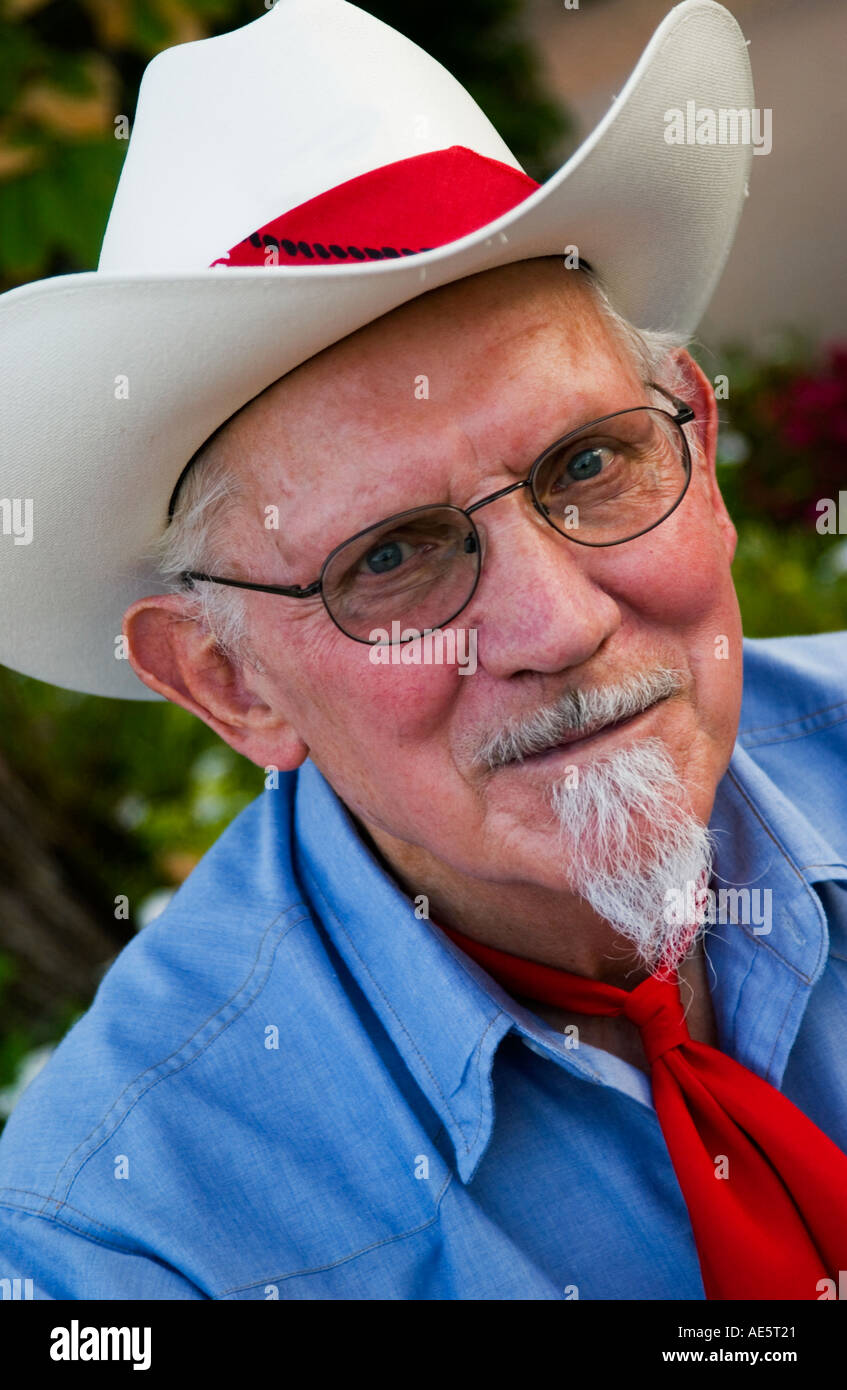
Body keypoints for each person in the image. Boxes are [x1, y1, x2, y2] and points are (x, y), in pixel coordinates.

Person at [1, 0, 845, 1301]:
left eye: (590, 462)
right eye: (391, 555)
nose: (558, 623)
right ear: (229, 682)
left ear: (696, 447)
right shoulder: (124, 1241)